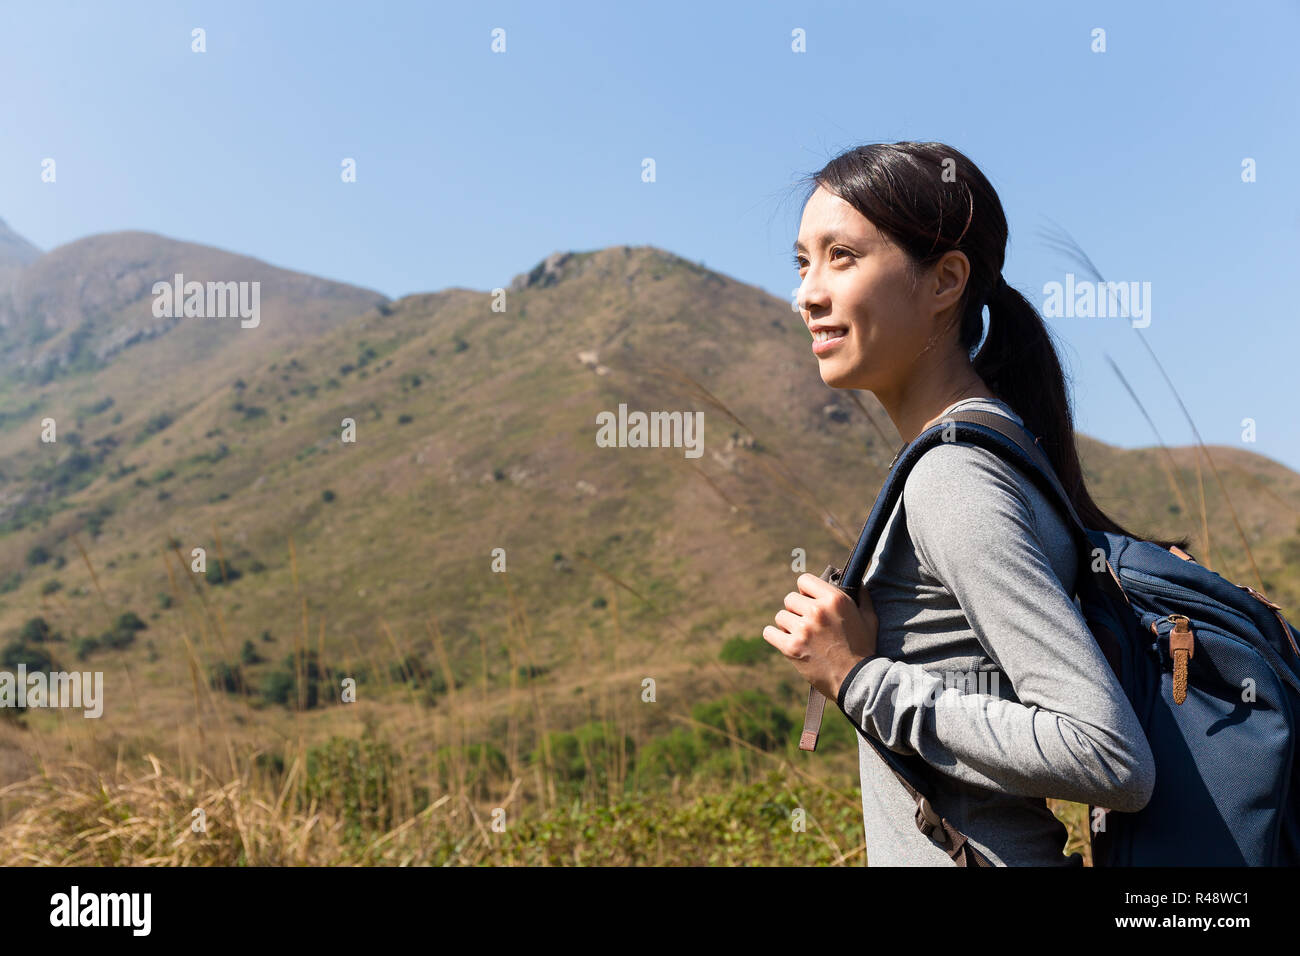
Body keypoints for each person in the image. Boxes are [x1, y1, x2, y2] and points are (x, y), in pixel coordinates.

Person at [763, 142, 1177, 866]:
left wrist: (859, 679)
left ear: (946, 280)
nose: (810, 293)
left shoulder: (954, 478)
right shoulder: (992, 448)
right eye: (803, 263)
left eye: (843, 257)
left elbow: (1108, 754)